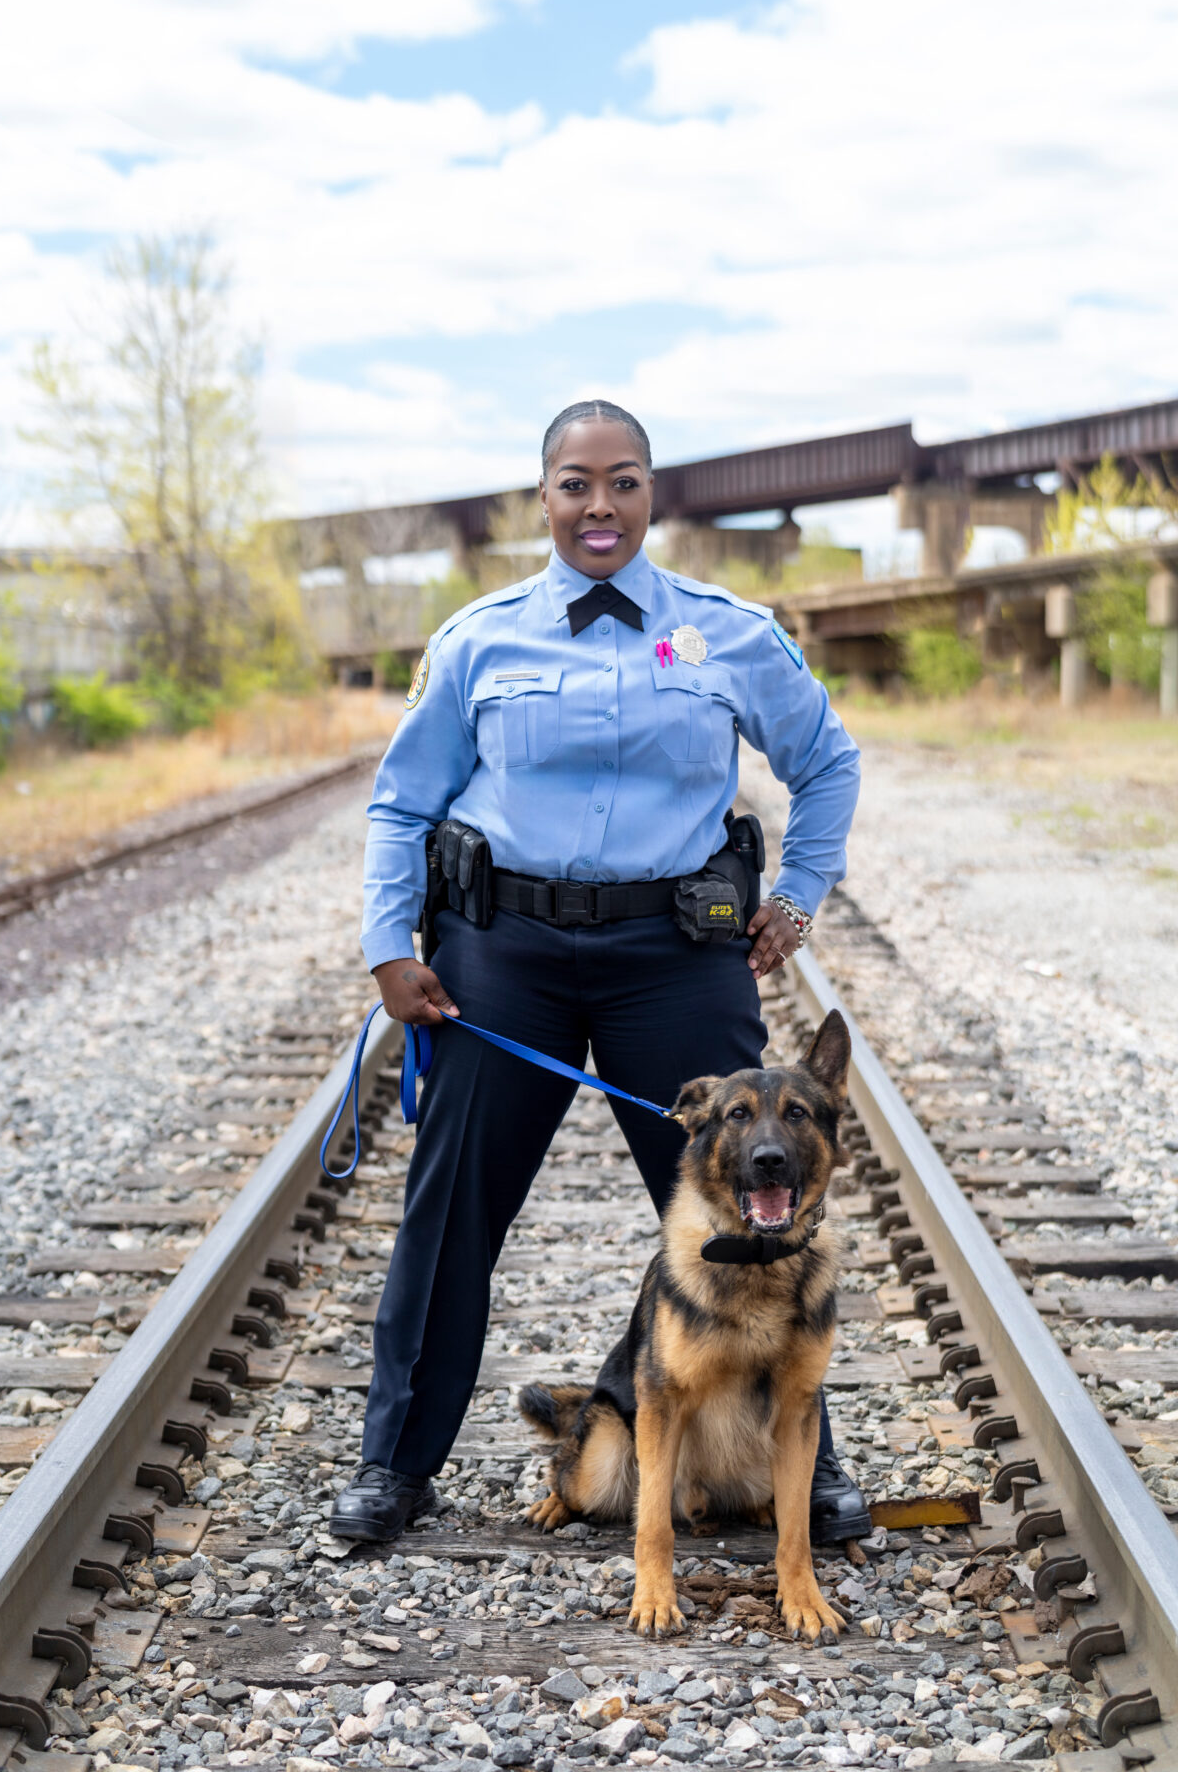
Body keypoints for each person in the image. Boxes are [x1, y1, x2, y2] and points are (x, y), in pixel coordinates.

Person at [330, 399, 868, 1546]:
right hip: (502, 957)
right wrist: (390, 945)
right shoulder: (480, 638)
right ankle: (394, 1464)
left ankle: (807, 1468)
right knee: (450, 1213)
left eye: (621, 481)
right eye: (574, 485)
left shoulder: (726, 633)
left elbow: (825, 762)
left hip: (670, 957)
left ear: (650, 494)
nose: (598, 506)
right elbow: (400, 800)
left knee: (761, 1200)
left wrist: (798, 899)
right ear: (543, 499)